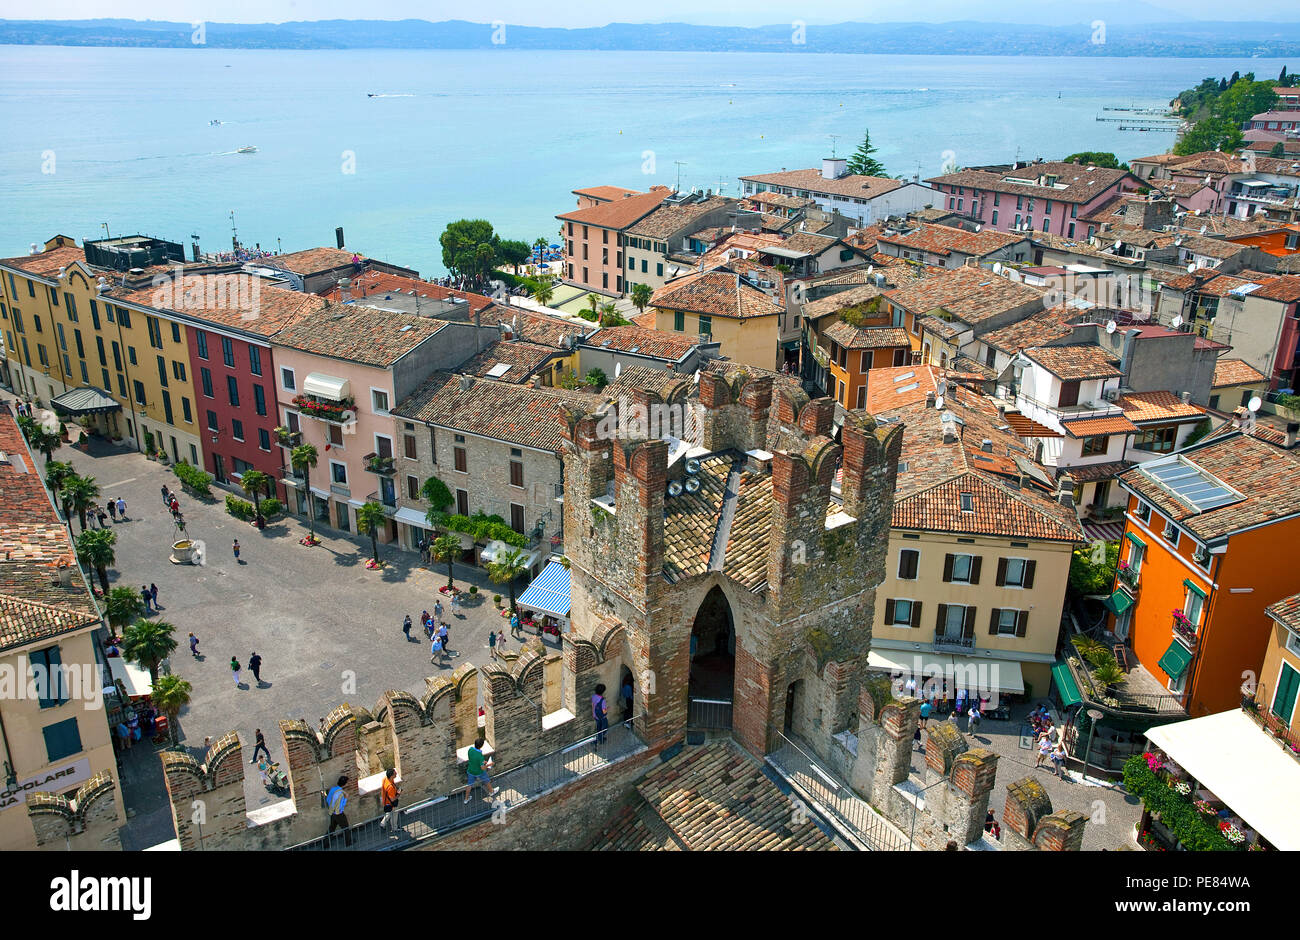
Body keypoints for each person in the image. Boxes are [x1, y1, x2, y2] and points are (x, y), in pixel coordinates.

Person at [464, 738, 496, 803]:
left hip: (471, 770)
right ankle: (491, 792)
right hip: (479, 772)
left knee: (469, 784)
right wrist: (490, 764)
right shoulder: (480, 756)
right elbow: (482, 768)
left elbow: (473, 759)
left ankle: (466, 799)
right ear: (481, 746)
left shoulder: (470, 750)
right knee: (487, 780)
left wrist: (482, 762)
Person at [325, 775, 351, 844]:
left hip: (332, 812)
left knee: (332, 828)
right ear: (345, 784)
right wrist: (346, 798)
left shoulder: (332, 789)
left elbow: (328, 799)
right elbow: (341, 806)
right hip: (339, 814)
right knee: (346, 827)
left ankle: (325, 843)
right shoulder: (341, 794)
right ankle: (349, 842)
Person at [592, 682, 609, 746]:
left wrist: (593, 714)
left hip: (596, 716)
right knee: (604, 728)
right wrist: (608, 708)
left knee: (598, 728)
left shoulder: (593, 696)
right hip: (602, 717)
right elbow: (604, 711)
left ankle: (599, 739)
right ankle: (599, 740)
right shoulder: (602, 700)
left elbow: (593, 705)